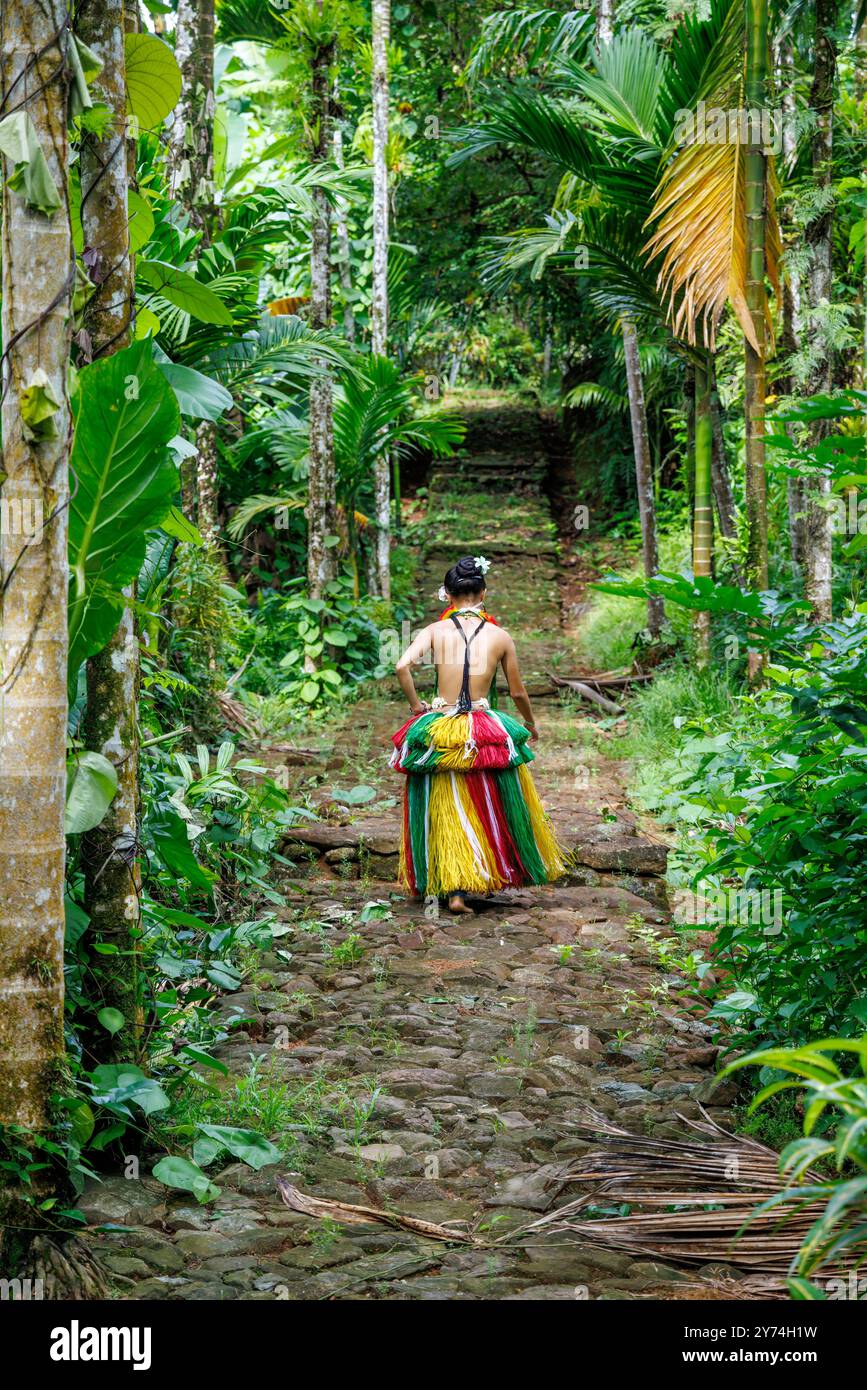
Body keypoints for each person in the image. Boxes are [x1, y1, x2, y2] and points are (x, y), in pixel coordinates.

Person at [391, 555, 565, 914]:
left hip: (440, 727)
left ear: (447, 595)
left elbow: (401, 666)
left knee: (445, 804)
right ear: (483, 592)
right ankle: (473, 879)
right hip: (482, 728)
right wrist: (530, 724)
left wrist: (416, 708)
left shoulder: (435, 631)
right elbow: (517, 693)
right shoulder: (500, 636)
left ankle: (449, 886)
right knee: (483, 802)